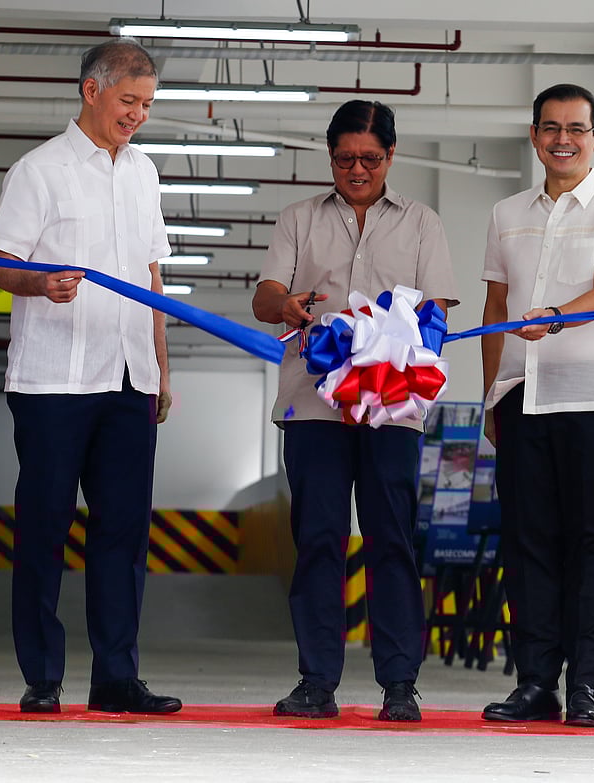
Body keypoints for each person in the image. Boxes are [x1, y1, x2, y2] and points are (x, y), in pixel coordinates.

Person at [0, 39, 179, 716]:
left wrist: (160, 366)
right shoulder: (39, 171)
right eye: (130, 101)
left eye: (147, 105)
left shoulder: (146, 172)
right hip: (53, 383)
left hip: (129, 376)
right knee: (44, 527)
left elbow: (154, 276)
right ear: (92, 91)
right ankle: (42, 675)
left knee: (124, 531)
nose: (138, 116)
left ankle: (116, 676)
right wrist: (39, 282)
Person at [252, 100, 458, 722]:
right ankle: (317, 682)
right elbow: (265, 298)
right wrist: (287, 304)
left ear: (391, 156)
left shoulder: (423, 224)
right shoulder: (299, 218)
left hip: (392, 410)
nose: (357, 171)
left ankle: (400, 685)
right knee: (318, 540)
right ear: (331, 157)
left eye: (370, 159)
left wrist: (405, 340)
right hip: (313, 408)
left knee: (391, 540)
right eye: (345, 160)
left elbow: (439, 312)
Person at [479, 84, 594, 728]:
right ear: (534, 135)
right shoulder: (505, 213)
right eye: (551, 128)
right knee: (528, 544)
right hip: (523, 398)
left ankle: (587, 687)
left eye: (576, 128)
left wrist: (553, 319)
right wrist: (494, 391)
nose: (563, 139)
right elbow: (495, 308)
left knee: (592, 543)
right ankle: (536, 683)